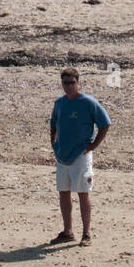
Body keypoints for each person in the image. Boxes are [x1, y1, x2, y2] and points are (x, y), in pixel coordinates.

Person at [48, 67, 110, 248]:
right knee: (64, 192)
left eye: (71, 83)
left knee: (83, 192)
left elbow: (105, 124)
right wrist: (53, 143)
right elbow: (53, 122)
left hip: (81, 155)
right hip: (62, 155)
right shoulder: (60, 103)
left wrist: (93, 145)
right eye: (65, 83)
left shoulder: (88, 102)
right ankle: (67, 231)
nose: (68, 86)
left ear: (78, 82)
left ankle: (86, 233)